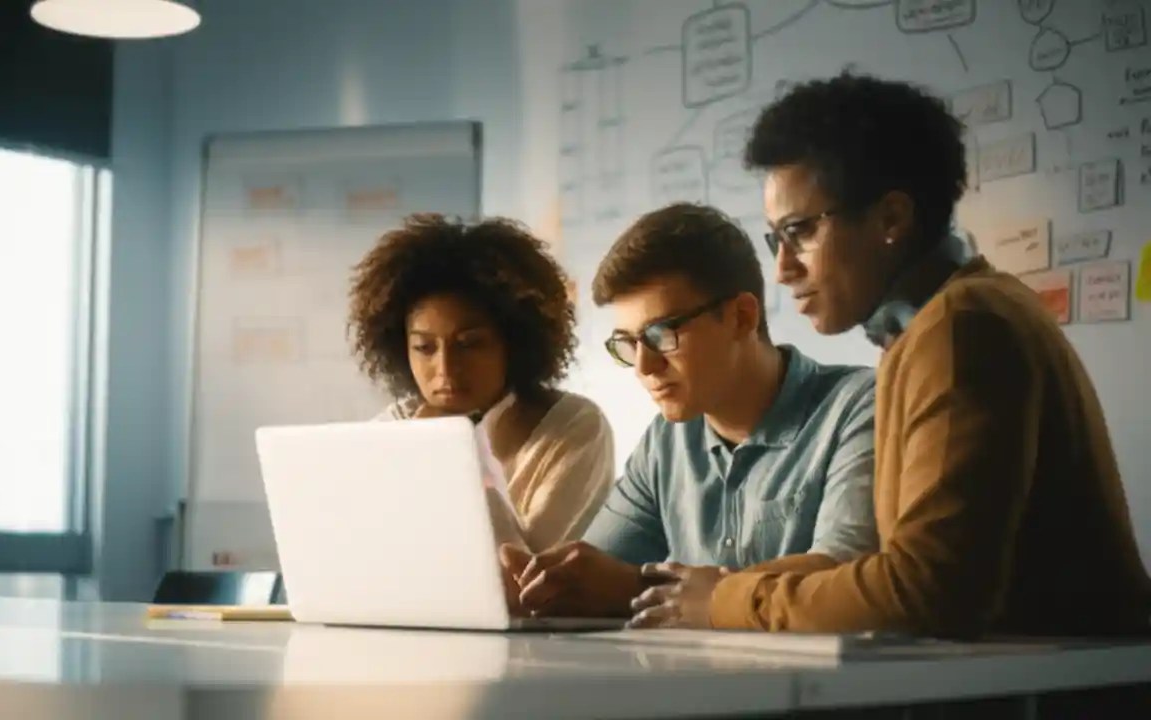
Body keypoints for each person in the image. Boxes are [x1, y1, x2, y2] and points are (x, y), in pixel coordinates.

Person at [631, 73, 1151, 637]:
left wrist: (728, 602)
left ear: (892, 219)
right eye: (774, 240)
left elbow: (926, 589)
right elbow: (880, 567)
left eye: (800, 231)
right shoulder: (944, 322)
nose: (783, 269)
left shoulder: (962, 328)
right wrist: (714, 593)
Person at [502, 203, 878, 619]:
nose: (644, 367)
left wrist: (638, 588)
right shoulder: (666, 440)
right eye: (628, 343)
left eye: (662, 334)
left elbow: (845, 571)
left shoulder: (859, 406)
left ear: (741, 317)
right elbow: (593, 575)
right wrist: (543, 583)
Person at [347, 213, 615, 554]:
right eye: (424, 348)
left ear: (514, 343)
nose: (445, 368)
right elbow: (366, 551)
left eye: (469, 344)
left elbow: (525, 582)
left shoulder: (574, 428)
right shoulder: (393, 427)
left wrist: (455, 460)